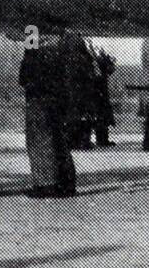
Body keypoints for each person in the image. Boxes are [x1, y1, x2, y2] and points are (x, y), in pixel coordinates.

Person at [19, 22, 91, 197]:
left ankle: (46, 185)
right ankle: (66, 183)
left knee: (38, 137)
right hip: (60, 95)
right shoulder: (68, 36)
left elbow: (25, 71)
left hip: (38, 94)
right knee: (58, 137)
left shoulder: (32, 31)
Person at [90, 47, 116, 147]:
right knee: (102, 114)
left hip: (97, 89)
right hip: (100, 89)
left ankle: (102, 139)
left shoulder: (97, 59)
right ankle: (102, 140)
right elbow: (109, 70)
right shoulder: (100, 61)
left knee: (101, 114)